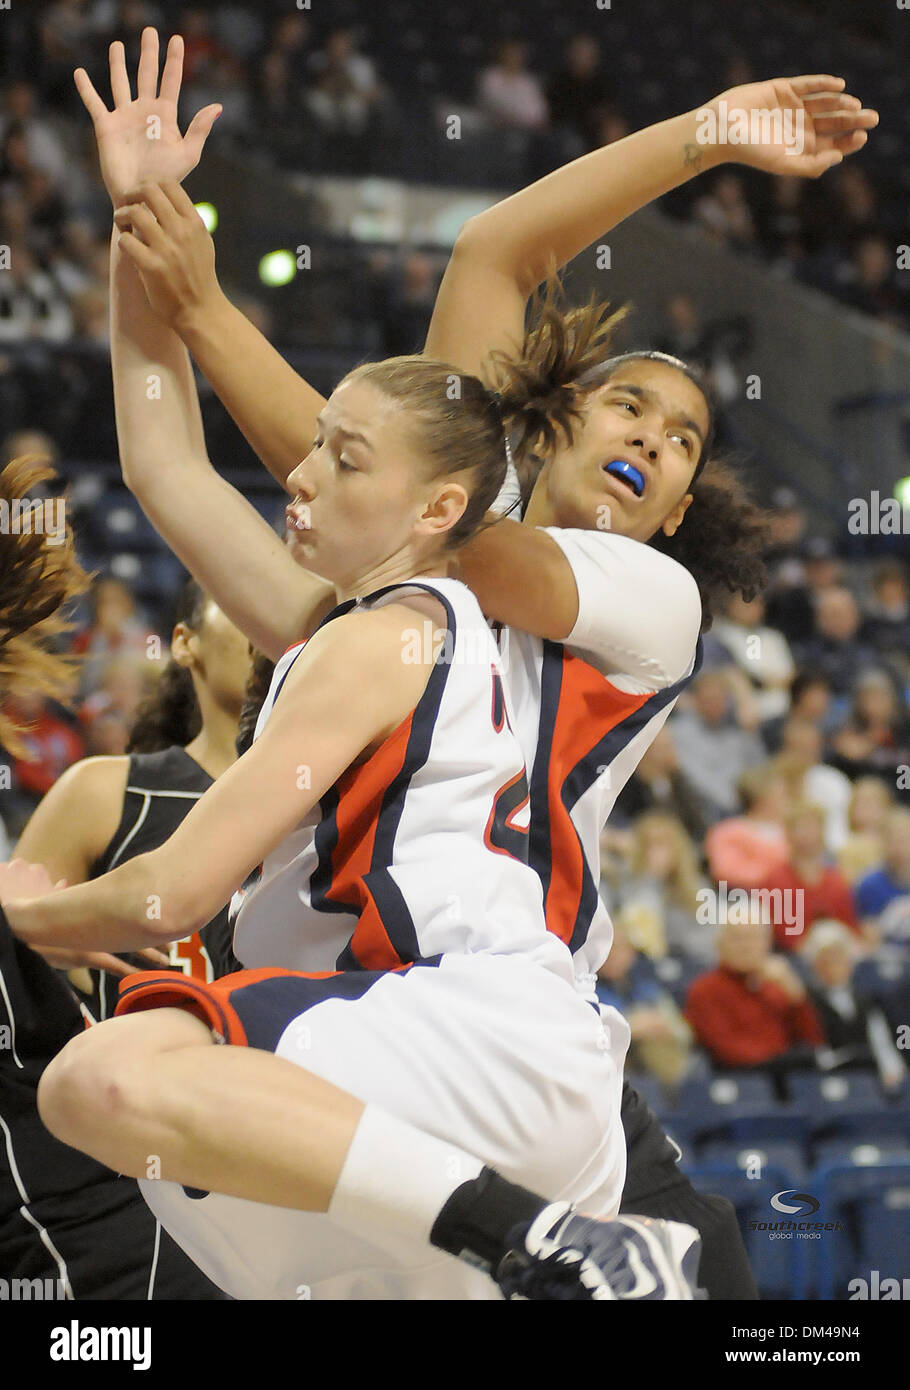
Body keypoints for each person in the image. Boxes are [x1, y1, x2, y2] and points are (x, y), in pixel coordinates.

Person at [81, 29, 876, 1300]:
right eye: (628, 403)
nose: (653, 436)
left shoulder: (648, 599)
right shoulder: (354, 610)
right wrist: (143, 222)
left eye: (683, 438)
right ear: (546, 427)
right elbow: (486, 262)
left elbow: (403, 495)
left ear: (678, 511)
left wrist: (203, 304)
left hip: (502, 1023)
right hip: (332, 1026)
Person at [15, 578, 251, 1019]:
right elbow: (14, 973)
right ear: (184, 643)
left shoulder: (335, 799)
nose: (262, 622)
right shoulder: (100, 792)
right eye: (241, 601)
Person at [685, 918, 824, 1083]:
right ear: (719, 945)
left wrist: (797, 996)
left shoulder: (778, 985)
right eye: (737, 938)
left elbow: (813, 1042)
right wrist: (777, 1060)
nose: (746, 946)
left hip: (790, 1075)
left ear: (768, 944)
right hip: (742, 1080)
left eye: (754, 938)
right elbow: (724, 1050)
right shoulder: (704, 990)